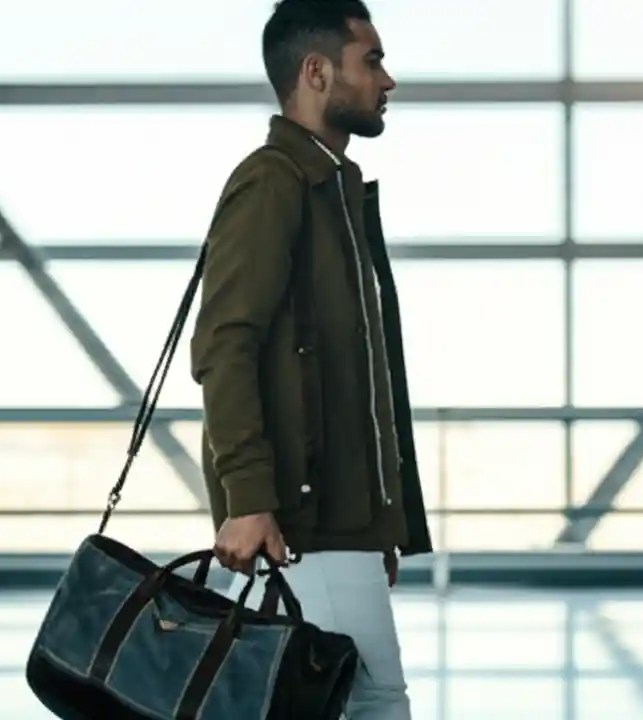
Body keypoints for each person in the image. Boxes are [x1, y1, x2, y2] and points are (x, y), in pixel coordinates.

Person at [188, 1, 431, 717]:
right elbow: (224, 342)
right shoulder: (276, 182)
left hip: (337, 519)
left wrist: (381, 524)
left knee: (337, 702)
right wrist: (247, 498)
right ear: (317, 72)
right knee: (375, 703)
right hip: (302, 516)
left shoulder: (332, 191)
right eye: (372, 61)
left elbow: (355, 377)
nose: (387, 80)